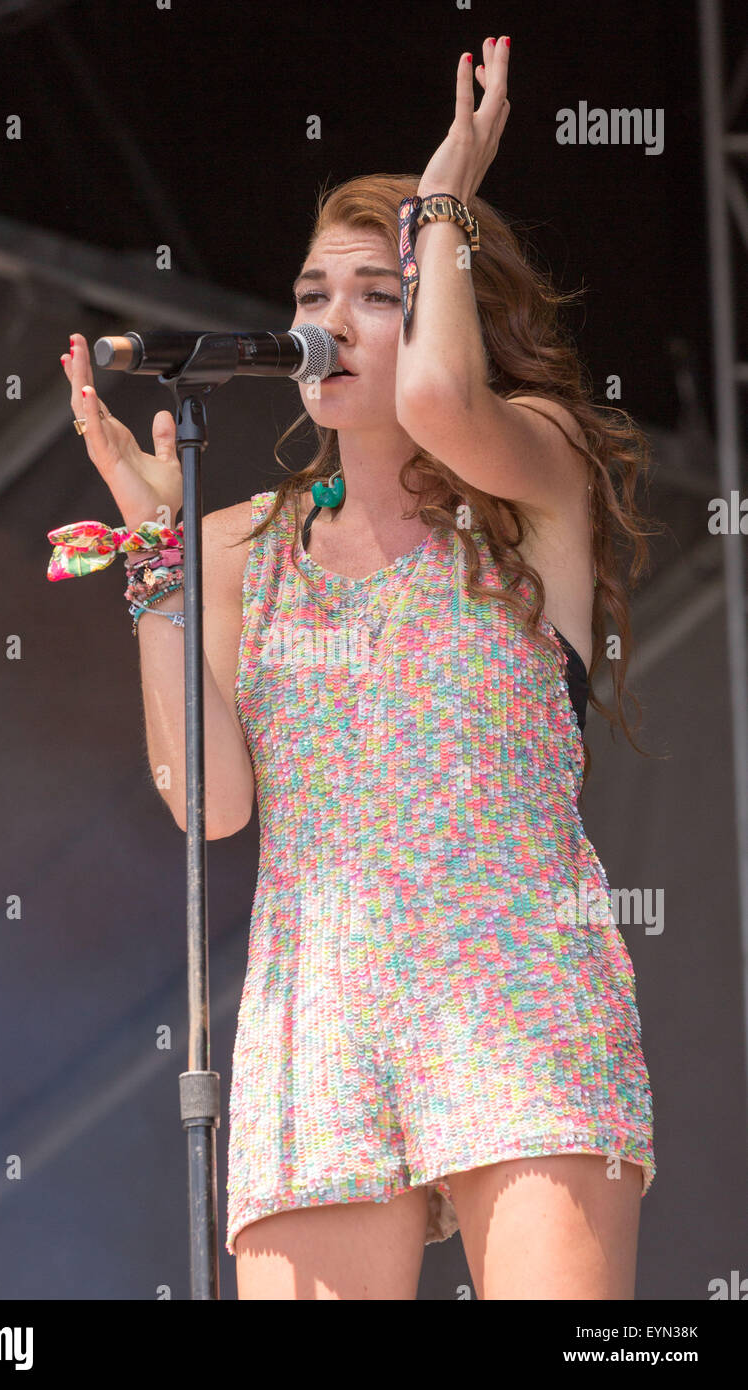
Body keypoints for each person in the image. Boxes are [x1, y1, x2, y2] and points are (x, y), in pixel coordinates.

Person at [54, 39, 657, 1300]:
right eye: (309, 290)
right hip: (314, 1005)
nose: (322, 321)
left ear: (448, 309)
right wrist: (159, 562)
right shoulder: (245, 546)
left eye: (376, 294)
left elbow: (437, 404)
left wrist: (445, 196)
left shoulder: (531, 473)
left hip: (513, 981)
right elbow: (209, 803)